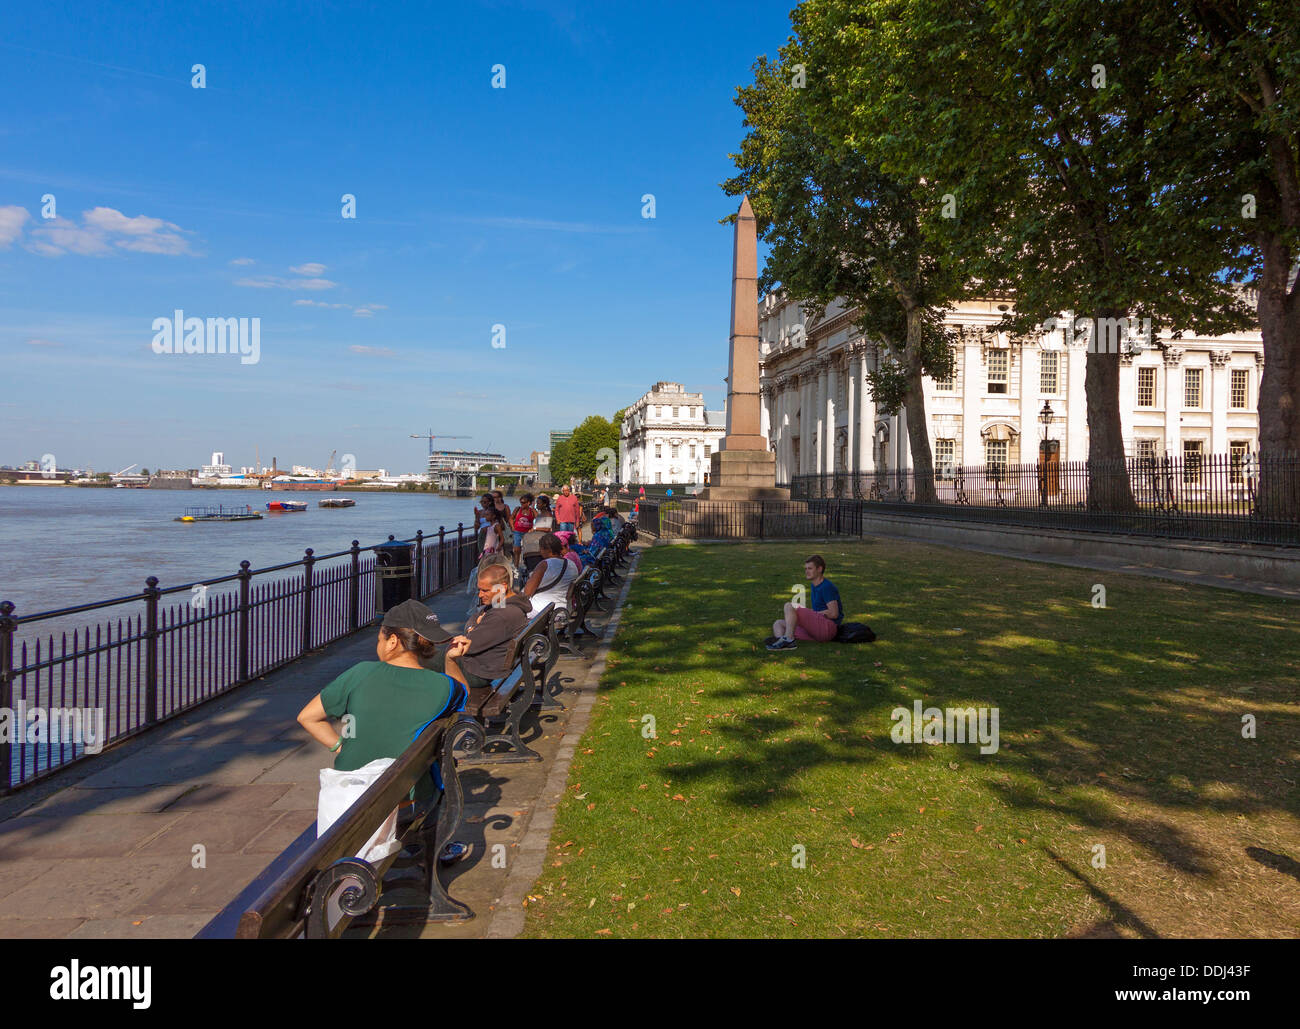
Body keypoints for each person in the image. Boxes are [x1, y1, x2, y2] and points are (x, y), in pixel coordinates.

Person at [296, 599, 460, 801]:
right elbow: (465, 694)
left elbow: (307, 717)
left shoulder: (360, 672)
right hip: (409, 798)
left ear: (392, 641)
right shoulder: (445, 686)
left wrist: (341, 745)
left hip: (351, 795)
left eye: (379, 640)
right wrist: (451, 660)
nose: (378, 645)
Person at [445, 564, 533, 689]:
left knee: (424, 654)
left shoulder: (501, 615)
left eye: (485, 590)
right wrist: (475, 625)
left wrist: (473, 627)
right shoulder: (502, 604)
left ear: (502, 587)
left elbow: (468, 645)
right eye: (479, 590)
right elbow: (476, 617)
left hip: (479, 672)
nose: (480, 595)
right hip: (486, 666)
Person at [768, 554, 843, 651]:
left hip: (828, 629)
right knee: (778, 624)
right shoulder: (814, 585)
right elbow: (818, 611)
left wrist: (811, 613)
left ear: (819, 569)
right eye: (806, 569)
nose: (807, 571)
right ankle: (781, 642)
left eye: (810, 568)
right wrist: (808, 614)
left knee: (789, 606)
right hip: (817, 628)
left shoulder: (826, 587)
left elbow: (834, 613)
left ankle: (789, 640)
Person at [523, 532, 579, 621]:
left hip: (542, 611)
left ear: (547, 550)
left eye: (540, 548)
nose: (540, 551)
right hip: (564, 609)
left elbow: (527, 593)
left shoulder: (544, 564)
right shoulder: (571, 564)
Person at [511, 492, 536, 567]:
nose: (522, 504)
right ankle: (516, 566)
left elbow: (538, 519)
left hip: (527, 533)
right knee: (516, 550)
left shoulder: (532, 511)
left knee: (527, 550)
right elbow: (511, 518)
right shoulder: (518, 509)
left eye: (523, 503)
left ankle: (527, 565)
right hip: (518, 531)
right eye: (521, 502)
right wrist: (512, 527)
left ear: (528, 503)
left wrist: (533, 528)